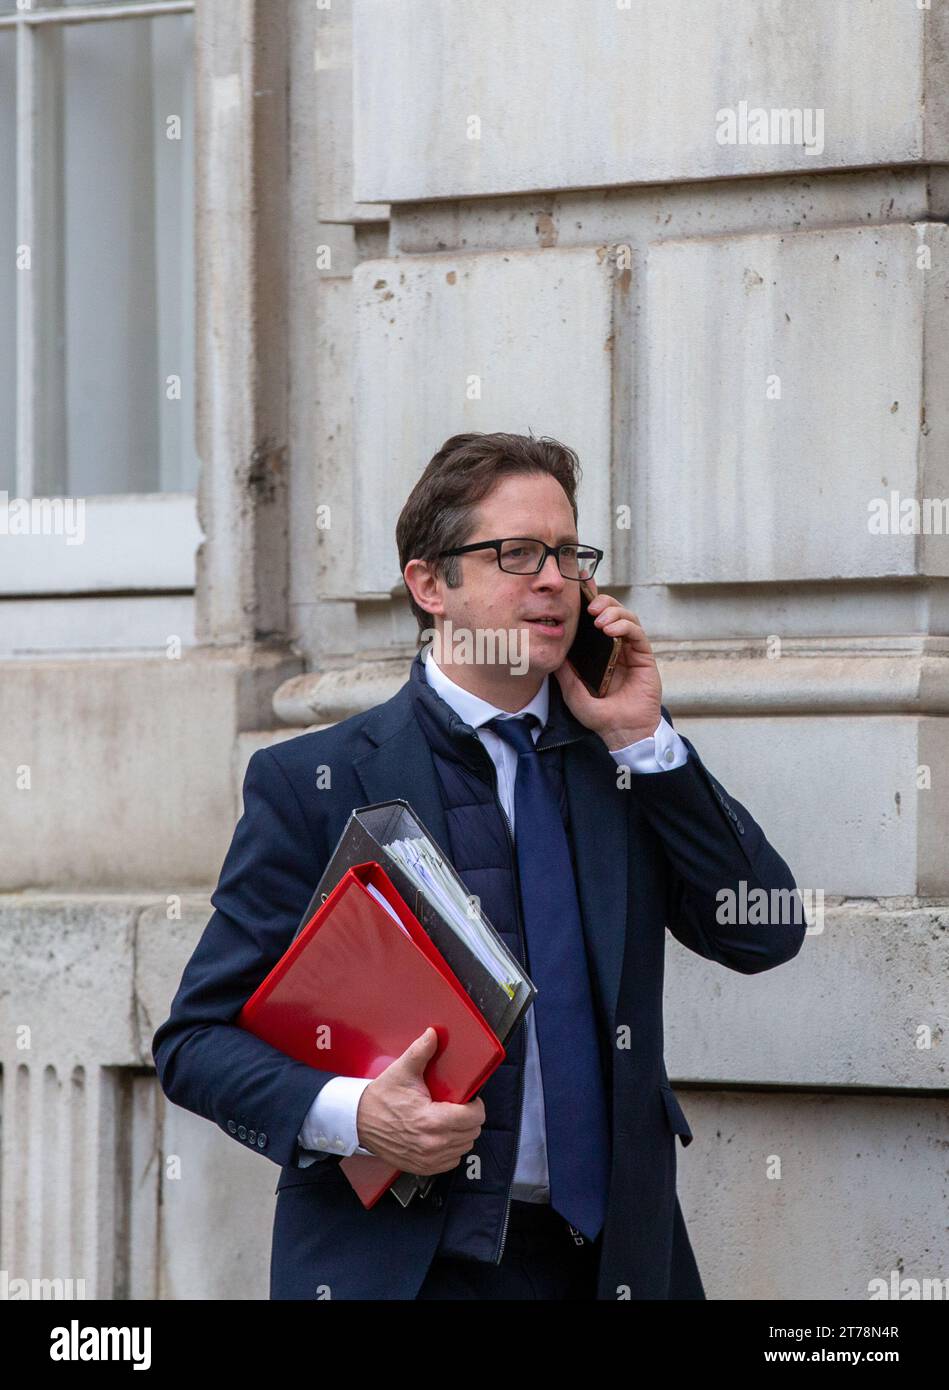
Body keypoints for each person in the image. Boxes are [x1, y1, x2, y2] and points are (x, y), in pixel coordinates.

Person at [151, 431, 806, 1300]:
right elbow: (196, 1043)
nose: (553, 579)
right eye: (517, 553)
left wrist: (648, 741)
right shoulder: (318, 781)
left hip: (611, 1264)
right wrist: (355, 1117)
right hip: (410, 1269)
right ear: (429, 585)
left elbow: (760, 932)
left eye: (569, 554)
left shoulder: (622, 760)